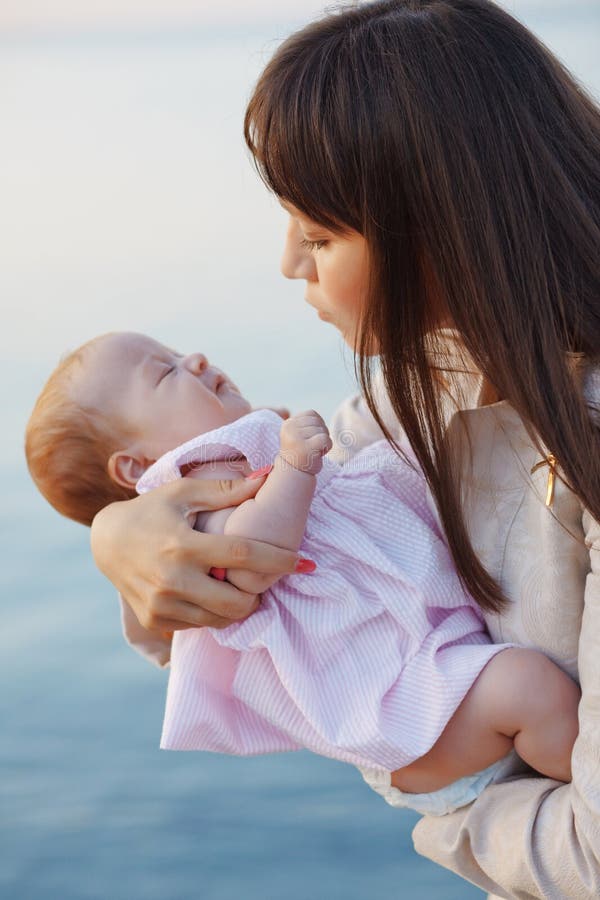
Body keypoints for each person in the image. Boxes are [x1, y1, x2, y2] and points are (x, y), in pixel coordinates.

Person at [88, 0, 600, 895]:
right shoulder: (431, 378)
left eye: (320, 233)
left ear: (441, 228)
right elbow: (260, 599)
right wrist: (118, 543)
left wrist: (447, 814)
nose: (290, 262)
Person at [25, 330, 580, 816]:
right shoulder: (193, 514)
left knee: (527, 689)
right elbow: (252, 552)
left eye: (178, 351)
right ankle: (584, 793)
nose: (194, 358)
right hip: (406, 714)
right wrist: (294, 464)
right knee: (530, 690)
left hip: (431, 673)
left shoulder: (248, 457)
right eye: (166, 371)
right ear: (137, 468)